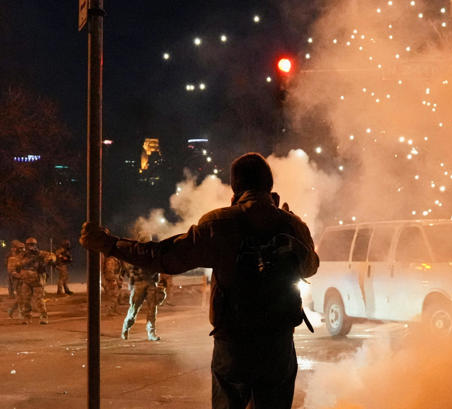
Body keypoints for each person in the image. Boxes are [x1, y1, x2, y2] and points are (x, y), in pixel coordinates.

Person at [81, 152, 319, 409]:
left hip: (233, 347)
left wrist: (112, 245)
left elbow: (163, 257)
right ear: (269, 185)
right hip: (278, 346)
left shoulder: (219, 224)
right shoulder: (291, 224)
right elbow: (310, 268)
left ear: (235, 187)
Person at [122, 261, 162, 341]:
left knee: (152, 309)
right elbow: (127, 267)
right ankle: (125, 327)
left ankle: (151, 333)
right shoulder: (134, 253)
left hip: (151, 282)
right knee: (133, 310)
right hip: (138, 283)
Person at [13, 237, 48, 325]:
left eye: (32, 244)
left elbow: (51, 256)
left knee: (39, 300)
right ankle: (26, 318)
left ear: (35, 245)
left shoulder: (40, 254)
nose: (31, 247)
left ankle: (43, 317)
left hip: (37, 281)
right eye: (29, 245)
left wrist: (48, 260)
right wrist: (16, 272)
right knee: (26, 300)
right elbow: (16, 263)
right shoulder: (22, 255)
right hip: (26, 280)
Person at [6, 240, 24, 317]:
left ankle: (11, 310)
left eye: (23, 248)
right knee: (20, 296)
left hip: (25, 279)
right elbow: (11, 271)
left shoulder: (24, 257)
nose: (22, 250)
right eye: (20, 248)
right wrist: (19, 276)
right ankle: (20, 313)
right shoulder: (12, 258)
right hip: (17, 280)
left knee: (24, 296)